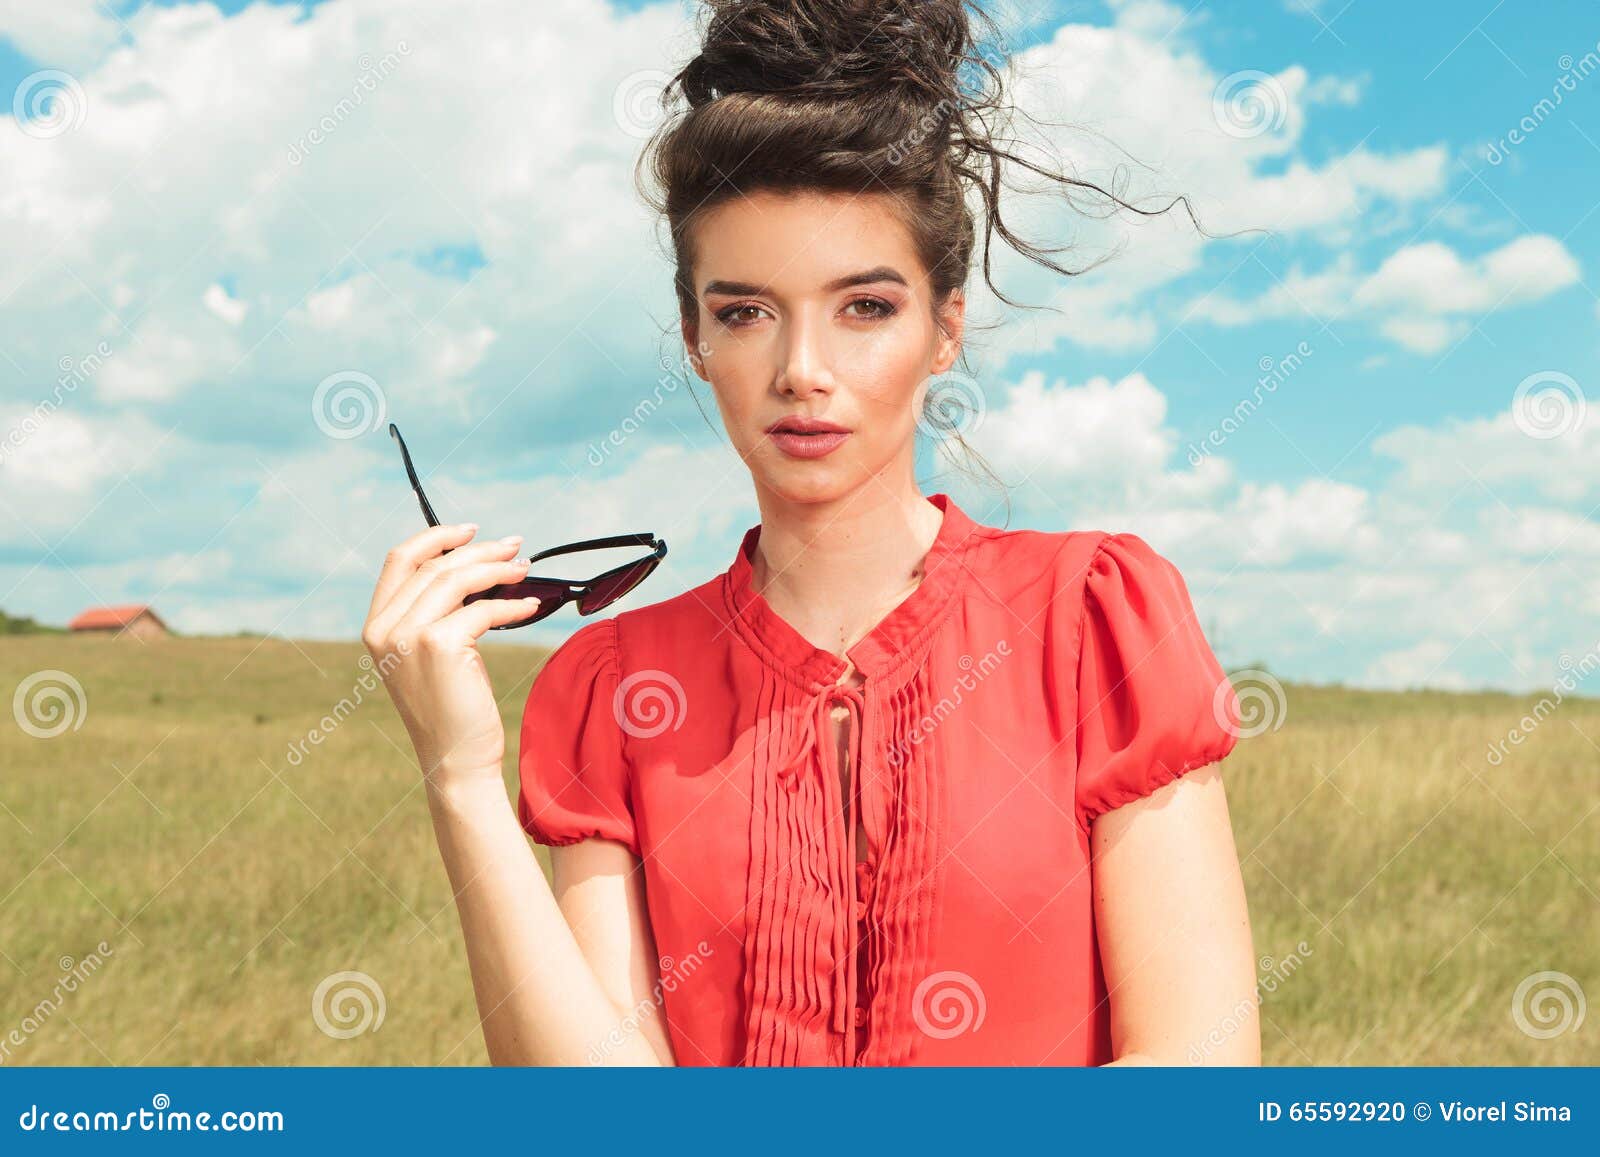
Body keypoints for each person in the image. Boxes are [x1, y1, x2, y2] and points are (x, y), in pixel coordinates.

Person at [363, 0, 1258, 1067]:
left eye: (864, 306)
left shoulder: (1094, 617)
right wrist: (459, 774)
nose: (802, 370)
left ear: (946, 326)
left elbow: (1196, 1079)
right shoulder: (610, 687)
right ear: (694, 335)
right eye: (745, 311)